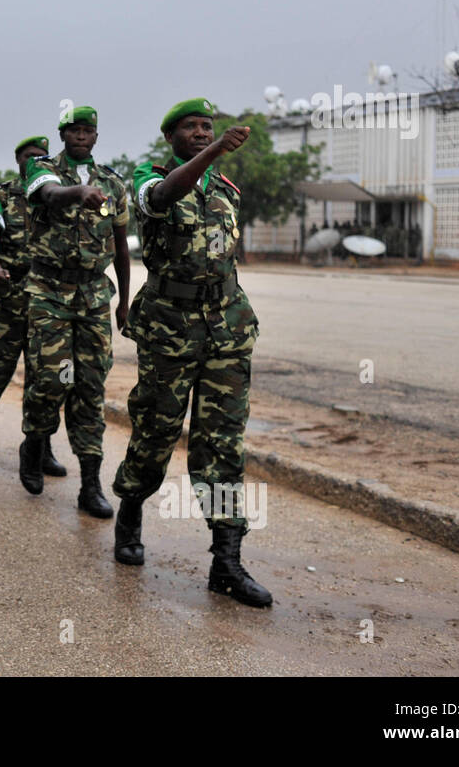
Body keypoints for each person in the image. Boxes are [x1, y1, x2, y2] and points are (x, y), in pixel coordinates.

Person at [112, 97, 272, 608]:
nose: (203, 133)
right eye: (192, 128)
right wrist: (215, 153)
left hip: (226, 327)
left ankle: (227, 562)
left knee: (223, 444)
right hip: (170, 328)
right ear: (171, 138)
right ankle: (131, 510)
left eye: (209, 127)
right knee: (156, 429)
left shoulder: (225, 191)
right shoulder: (148, 179)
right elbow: (161, 195)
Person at [18, 105, 130, 518]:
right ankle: (34, 443)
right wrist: (78, 193)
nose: (81, 137)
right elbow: (48, 194)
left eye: (88, 131)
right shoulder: (41, 169)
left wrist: (125, 301)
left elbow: (121, 246)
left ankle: (89, 483)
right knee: (50, 379)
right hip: (49, 290)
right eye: (74, 131)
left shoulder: (114, 184)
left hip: (94, 295)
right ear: (63, 135)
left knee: (90, 386)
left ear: (96, 137)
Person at [0, 135, 64, 477]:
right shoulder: (1, 193)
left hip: (50, 299)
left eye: (42, 156)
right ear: (18, 160)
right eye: (29, 156)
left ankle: (41, 446)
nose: (36, 161)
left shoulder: (57, 192)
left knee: (46, 378)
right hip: (11, 295)